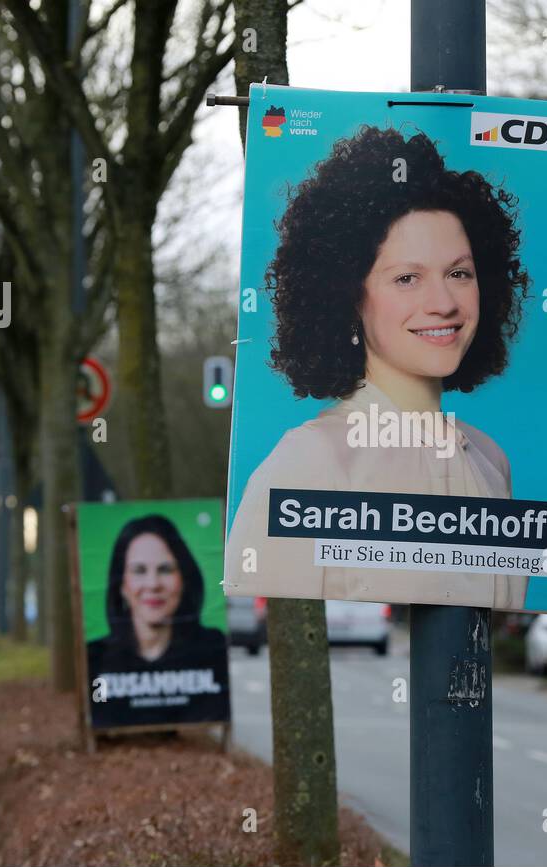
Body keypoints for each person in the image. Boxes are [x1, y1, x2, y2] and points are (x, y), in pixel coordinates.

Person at [227, 125, 531, 609]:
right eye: (407, 278)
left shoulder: (491, 461)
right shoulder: (310, 462)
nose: (442, 303)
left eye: (459, 273)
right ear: (348, 297)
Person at [87, 514, 227, 685]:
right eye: (139, 570)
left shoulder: (213, 650)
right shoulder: (95, 657)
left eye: (165, 569)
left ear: (183, 579)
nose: (153, 584)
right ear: (121, 584)